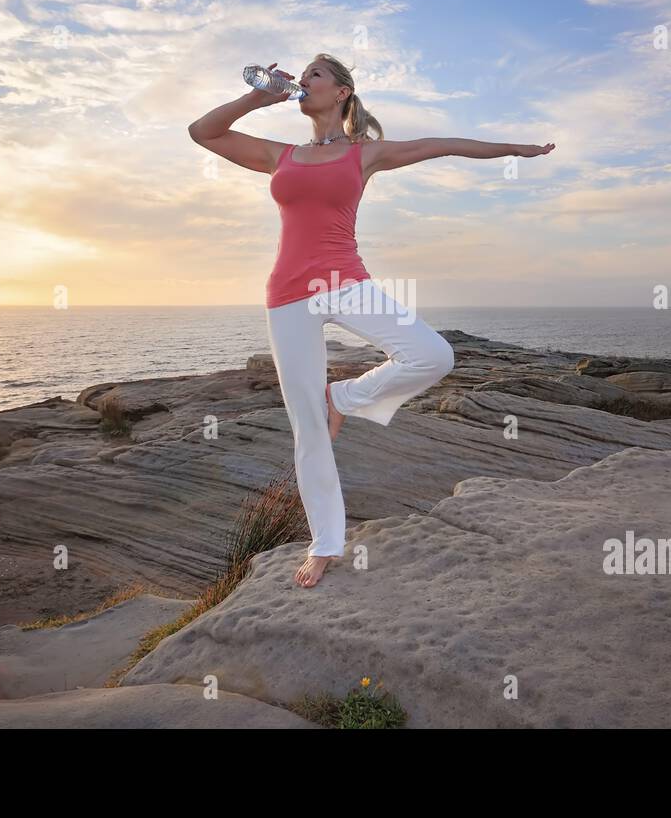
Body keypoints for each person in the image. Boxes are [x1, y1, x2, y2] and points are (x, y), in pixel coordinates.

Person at [188, 53, 555, 587]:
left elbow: (443, 144)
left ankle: (346, 397)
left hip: (345, 282)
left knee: (432, 355)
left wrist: (515, 150)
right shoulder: (279, 154)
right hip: (288, 294)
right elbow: (204, 131)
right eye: (302, 74)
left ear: (341, 92)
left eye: (314, 73)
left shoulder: (365, 154)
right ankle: (326, 545)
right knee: (307, 430)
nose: (303, 79)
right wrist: (257, 96)